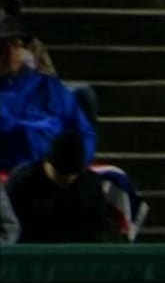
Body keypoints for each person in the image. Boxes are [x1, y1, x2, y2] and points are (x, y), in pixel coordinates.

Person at [1, 14, 95, 173]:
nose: (11, 52)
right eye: (3, 46)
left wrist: (74, 165)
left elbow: (82, 132)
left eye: (16, 45)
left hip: (59, 171)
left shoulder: (49, 86)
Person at [1, 131, 118, 244]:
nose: (67, 180)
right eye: (60, 175)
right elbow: (10, 227)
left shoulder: (90, 183)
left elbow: (101, 224)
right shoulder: (22, 182)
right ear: (47, 164)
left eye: (72, 175)